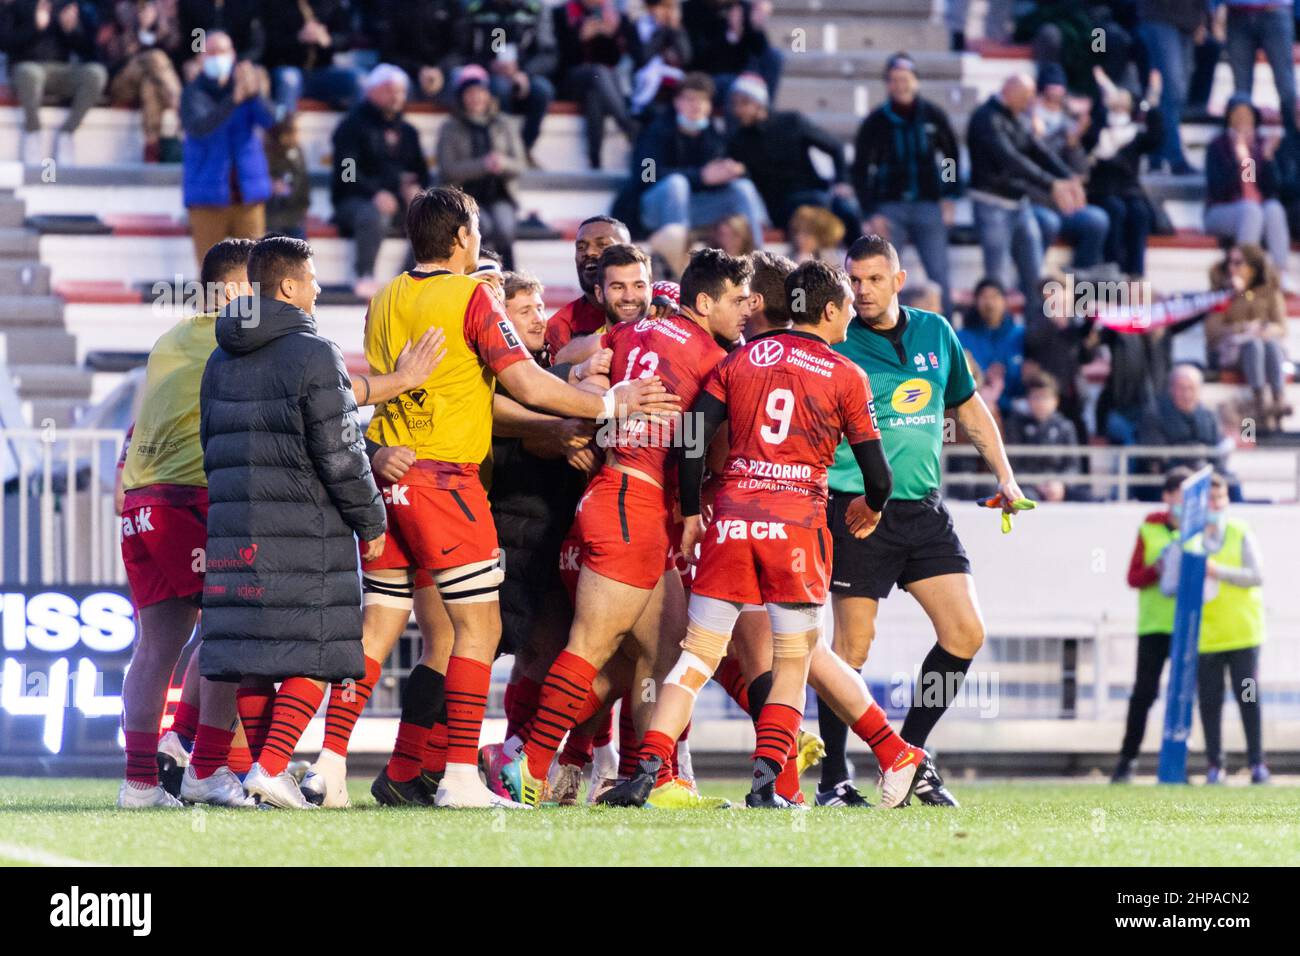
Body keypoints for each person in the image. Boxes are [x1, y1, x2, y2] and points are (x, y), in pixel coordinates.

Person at [359, 186, 679, 809]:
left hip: (393, 480)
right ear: (461, 239)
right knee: (477, 629)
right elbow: (524, 381)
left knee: (393, 634)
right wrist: (612, 402)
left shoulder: (386, 295)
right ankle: (461, 776)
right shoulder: (474, 295)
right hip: (450, 482)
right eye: (475, 231)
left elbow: (387, 386)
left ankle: (349, 769)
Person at [602, 258, 929, 810]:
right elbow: (879, 476)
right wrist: (872, 508)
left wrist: (688, 514)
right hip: (796, 525)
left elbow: (691, 439)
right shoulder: (845, 373)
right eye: (847, 303)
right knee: (795, 659)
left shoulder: (739, 359)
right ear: (828, 311)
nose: (853, 310)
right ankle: (770, 783)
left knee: (696, 658)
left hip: (730, 521)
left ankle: (647, 769)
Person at [499, 246, 748, 808]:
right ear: (704, 302)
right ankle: (526, 766)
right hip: (633, 502)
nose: (744, 311)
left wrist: (591, 410)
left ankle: (654, 780)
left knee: (664, 655)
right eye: (735, 300)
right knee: (590, 648)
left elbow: (582, 371)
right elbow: (706, 450)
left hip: (617, 495)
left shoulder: (633, 334)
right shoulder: (713, 359)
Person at [815, 235, 1027, 808]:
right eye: (853, 281)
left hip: (924, 508)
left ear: (898, 279)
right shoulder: (835, 341)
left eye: (873, 280)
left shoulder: (936, 331)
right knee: (850, 650)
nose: (861, 291)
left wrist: (1005, 476)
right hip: (857, 508)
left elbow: (968, 406)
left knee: (965, 632)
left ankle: (905, 759)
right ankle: (833, 777)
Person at [199, 236, 389, 810]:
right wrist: (370, 518)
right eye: (310, 279)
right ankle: (273, 766)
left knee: (254, 654)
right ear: (287, 286)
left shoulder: (219, 356)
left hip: (236, 524)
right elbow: (341, 452)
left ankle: (264, 773)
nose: (317, 288)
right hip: (305, 526)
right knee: (319, 647)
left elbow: (210, 443)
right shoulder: (313, 353)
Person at [117, 239, 257, 811]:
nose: (268, 297)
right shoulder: (236, 339)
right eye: (258, 286)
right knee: (234, 630)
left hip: (141, 501)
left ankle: (141, 782)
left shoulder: (168, 339)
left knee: (157, 646)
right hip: (189, 500)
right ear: (232, 291)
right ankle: (206, 768)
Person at [967, 74, 1091, 309]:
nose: (1030, 101)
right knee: (997, 278)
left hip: (1019, 205)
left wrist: (1068, 177)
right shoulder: (986, 118)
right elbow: (1011, 160)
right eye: (1026, 96)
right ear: (1009, 92)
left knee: (1036, 274)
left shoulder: (1018, 118)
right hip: (992, 205)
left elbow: (1037, 151)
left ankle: (1036, 333)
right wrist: (1051, 184)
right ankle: (998, 338)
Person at [852, 53, 960, 316]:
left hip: (928, 204)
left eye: (905, 79)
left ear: (915, 81)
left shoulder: (933, 116)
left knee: (940, 273)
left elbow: (950, 157)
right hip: (889, 207)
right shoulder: (875, 121)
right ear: (888, 84)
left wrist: (949, 196)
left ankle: (947, 336)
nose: (900, 85)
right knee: (880, 273)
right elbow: (861, 170)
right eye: (894, 80)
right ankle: (879, 333)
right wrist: (870, 212)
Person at [1179, 473, 1269, 784]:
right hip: (1208, 636)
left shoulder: (1240, 531)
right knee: (1210, 704)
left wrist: (1219, 571)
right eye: (1211, 500)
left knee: (1248, 700)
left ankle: (1257, 763)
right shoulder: (1192, 539)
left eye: (1220, 498)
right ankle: (1215, 766)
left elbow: (1256, 575)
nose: (1216, 504)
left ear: (1227, 500)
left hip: (1242, 633)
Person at [620, 72, 766, 256]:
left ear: (709, 105)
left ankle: (759, 261)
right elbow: (646, 176)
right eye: (689, 99)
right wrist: (700, 177)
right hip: (653, 208)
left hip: (694, 207)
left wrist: (732, 171)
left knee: (742, 188)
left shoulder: (713, 134)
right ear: (677, 102)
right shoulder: (656, 131)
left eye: (702, 100)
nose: (695, 106)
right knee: (676, 184)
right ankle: (679, 261)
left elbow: (726, 172)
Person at [1111, 466, 1188, 783]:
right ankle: (1126, 761)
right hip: (1154, 625)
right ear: (1167, 497)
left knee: (1183, 696)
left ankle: (1178, 764)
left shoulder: (1199, 532)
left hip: (1188, 626)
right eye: (1180, 495)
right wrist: (1159, 568)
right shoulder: (1150, 527)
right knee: (1144, 694)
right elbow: (1133, 578)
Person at [330, 63, 430, 299]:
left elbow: (421, 171)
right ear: (371, 91)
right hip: (353, 200)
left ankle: (411, 278)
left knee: (429, 216)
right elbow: (347, 173)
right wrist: (375, 193)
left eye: (400, 91)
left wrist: (415, 188)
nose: (396, 96)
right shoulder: (351, 127)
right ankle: (364, 274)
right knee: (372, 214)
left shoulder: (408, 131)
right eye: (389, 90)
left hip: (398, 200)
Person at [726, 72, 860, 246]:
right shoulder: (738, 141)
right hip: (780, 208)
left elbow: (835, 147)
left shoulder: (791, 122)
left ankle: (858, 261)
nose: (738, 110)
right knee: (809, 213)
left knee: (848, 207)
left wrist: (843, 181)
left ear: (759, 103)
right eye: (735, 104)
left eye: (744, 103)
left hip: (814, 193)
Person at [180, 30, 274, 268]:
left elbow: (271, 121)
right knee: (211, 278)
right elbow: (201, 126)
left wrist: (256, 95)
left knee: (256, 277)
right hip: (207, 197)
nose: (217, 57)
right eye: (211, 52)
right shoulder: (193, 93)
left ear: (233, 55)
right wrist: (233, 99)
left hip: (247, 195)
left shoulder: (246, 89)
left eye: (222, 51)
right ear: (201, 58)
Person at [436, 66, 526, 271]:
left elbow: (519, 163)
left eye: (480, 92)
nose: (476, 98)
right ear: (462, 97)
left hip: (499, 193)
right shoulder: (450, 127)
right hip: (464, 196)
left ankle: (510, 275)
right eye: (470, 93)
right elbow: (448, 169)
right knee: (480, 226)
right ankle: (478, 273)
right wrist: (483, 165)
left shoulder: (504, 124)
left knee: (505, 228)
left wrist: (502, 163)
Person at [1082, 67, 1163, 277]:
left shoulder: (1134, 134)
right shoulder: (1099, 128)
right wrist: (1104, 92)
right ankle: (1113, 266)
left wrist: (1152, 100)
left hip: (1128, 190)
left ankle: (1136, 272)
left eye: (1124, 101)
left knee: (1139, 213)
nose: (1119, 104)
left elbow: (1156, 137)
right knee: (1116, 210)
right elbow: (1089, 138)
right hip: (1101, 190)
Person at [10, 0, 109, 165]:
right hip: (28, 67)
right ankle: (33, 132)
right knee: (30, 73)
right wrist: (35, 27)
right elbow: (6, 42)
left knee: (96, 73)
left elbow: (89, 50)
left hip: (62, 69)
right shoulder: (19, 4)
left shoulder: (68, 5)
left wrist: (71, 30)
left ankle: (67, 133)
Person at [461, 0, 558, 165]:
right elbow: (463, 50)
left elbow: (548, 54)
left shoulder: (535, 9)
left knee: (543, 90)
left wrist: (525, 73)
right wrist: (489, 64)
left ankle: (523, 149)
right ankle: (504, 150)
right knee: (499, 88)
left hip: (526, 72)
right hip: (488, 73)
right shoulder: (476, 9)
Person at [1207, 244, 1291, 432]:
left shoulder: (1270, 291)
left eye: (1238, 263)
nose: (1232, 268)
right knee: (1254, 344)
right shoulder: (1222, 292)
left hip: (1265, 348)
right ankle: (1260, 398)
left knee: (1268, 344)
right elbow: (1213, 331)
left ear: (1253, 266)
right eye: (1230, 262)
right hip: (1230, 349)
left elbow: (1281, 327)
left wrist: (1263, 329)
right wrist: (1243, 327)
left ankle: (1278, 398)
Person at [1204, 95, 1292, 276]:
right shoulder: (1218, 145)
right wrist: (1239, 160)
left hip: (1253, 209)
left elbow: (1270, 190)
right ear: (1229, 117)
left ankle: (1279, 274)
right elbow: (1220, 189)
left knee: (1274, 209)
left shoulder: (1259, 145)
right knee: (1251, 210)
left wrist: (1267, 160)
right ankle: (1243, 275)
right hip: (1221, 211)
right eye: (1238, 114)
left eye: (1247, 115)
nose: (1242, 119)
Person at [552, 0, 640, 170]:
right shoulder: (562, 13)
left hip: (602, 84)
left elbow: (615, 61)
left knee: (595, 91)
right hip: (568, 81)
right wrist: (578, 37)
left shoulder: (612, 15)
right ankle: (627, 124)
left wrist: (614, 35)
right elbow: (558, 61)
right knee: (596, 73)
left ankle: (594, 160)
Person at [98, 0, 184, 163]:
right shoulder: (119, 12)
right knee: (155, 57)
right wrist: (139, 31)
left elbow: (177, 49)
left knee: (150, 85)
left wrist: (158, 29)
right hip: (121, 83)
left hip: (153, 83)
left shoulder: (164, 18)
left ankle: (151, 148)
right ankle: (181, 106)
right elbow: (110, 54)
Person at [544, 215, 632, 361]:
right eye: (581, 247)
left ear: (631, 253)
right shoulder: (561, 325)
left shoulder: (663, 303)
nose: (589, 252)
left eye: (602, 245)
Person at [1136, 0, 1204, 174]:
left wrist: (1202, 18)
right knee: (1172, 90)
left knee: (1177, 93)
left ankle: (1156, 154)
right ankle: (1174, 158)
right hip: (1158, 15)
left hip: (1189, 19)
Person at [260, 0, 361, 117]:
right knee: (289, 79)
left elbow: (346, 38)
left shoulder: (330, 4)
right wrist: (298, 38)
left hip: (322, 73)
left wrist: (328, 40)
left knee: (358, 80)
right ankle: (283, 131)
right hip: (287, 70)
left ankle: (359, 132)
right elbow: (266, 45)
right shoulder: (274, 5)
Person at [1138, 364, 1232, 479]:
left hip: (1205, 472)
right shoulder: (1154, 414)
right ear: (1171, 389)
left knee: (1232, 482)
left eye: (1191, 388)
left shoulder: (1209, 416)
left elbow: (1217, 448)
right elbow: (1156, 453)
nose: (1187, 395)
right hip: (1170, 476)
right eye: (1181, 388)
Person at [681, 0, 781, 101]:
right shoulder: (690, 9)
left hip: (742, 70)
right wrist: (732, 33)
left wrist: (757, 26)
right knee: (731, 83)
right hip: (708, 74)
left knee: (775, 56)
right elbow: (697, 54)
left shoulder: (742, 7)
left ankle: (765, 110)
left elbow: (760, 49)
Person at [1222, 0, 1297, 134]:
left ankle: (1294, 145)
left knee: (1286, 86)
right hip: (1237, 12)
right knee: (1241, 94)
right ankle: (1241, 147)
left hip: (1275, 9)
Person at [1003, 374, 1080, 503]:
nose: (1040, 402)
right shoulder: (1016, 425)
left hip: (1059, 487)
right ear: (1028, 400)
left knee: (1085, 497)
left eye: (1045, 397)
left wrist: (1061, 484)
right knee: (1027, 499)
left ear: (1056, 400)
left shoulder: (1065, 427)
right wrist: (1037, 484)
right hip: (1028, 487)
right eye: (1036, 397)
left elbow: (1073, 467)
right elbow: (1012, 466)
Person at [957, 276, 1025, 416]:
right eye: (984, 297)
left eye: (995, 296)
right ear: (976, 302)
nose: (989, 303)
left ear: (1005, 301)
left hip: (1017, 408)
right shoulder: (961, 337)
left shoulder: (1021, 335)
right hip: (976, 409)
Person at [369, 0, 461, 102]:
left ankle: (461, 118)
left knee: (463, 78)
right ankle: (397, 118)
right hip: (406, 70)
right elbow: (388, 52)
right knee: (393, 82)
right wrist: (419, 70)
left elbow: (460, 48)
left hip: (443, 70)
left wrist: (440, 69)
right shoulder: (392, 4)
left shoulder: (450, 4)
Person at [264, 113, 311, 238]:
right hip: (269, 215)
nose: (296, 135)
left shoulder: (298, 152)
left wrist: (305, 205)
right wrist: (271, 185)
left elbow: (303, 183)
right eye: (293, 131)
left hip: (293, 215)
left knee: (300, 247)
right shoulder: (266, 151)